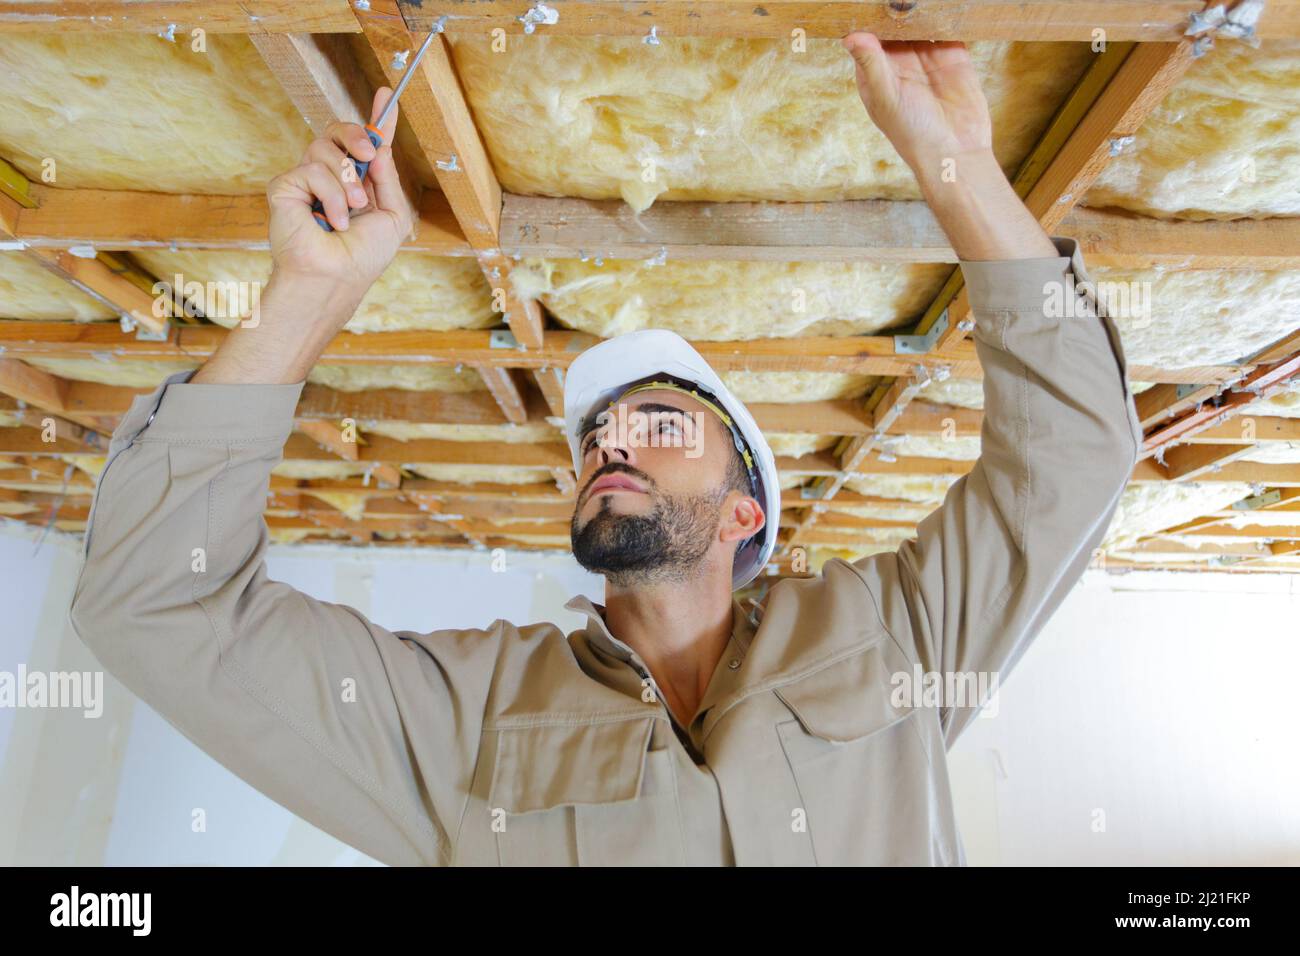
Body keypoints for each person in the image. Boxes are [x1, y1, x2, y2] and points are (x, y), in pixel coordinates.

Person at [69, 34, 1140, 865]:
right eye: (595, 436)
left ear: (742, 511)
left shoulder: (894, 638)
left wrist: (956, 167)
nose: (610, 444)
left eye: (661, 426)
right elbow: (161, 605)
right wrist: (310, 296)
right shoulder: (469, 717)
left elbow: (1075, 450)